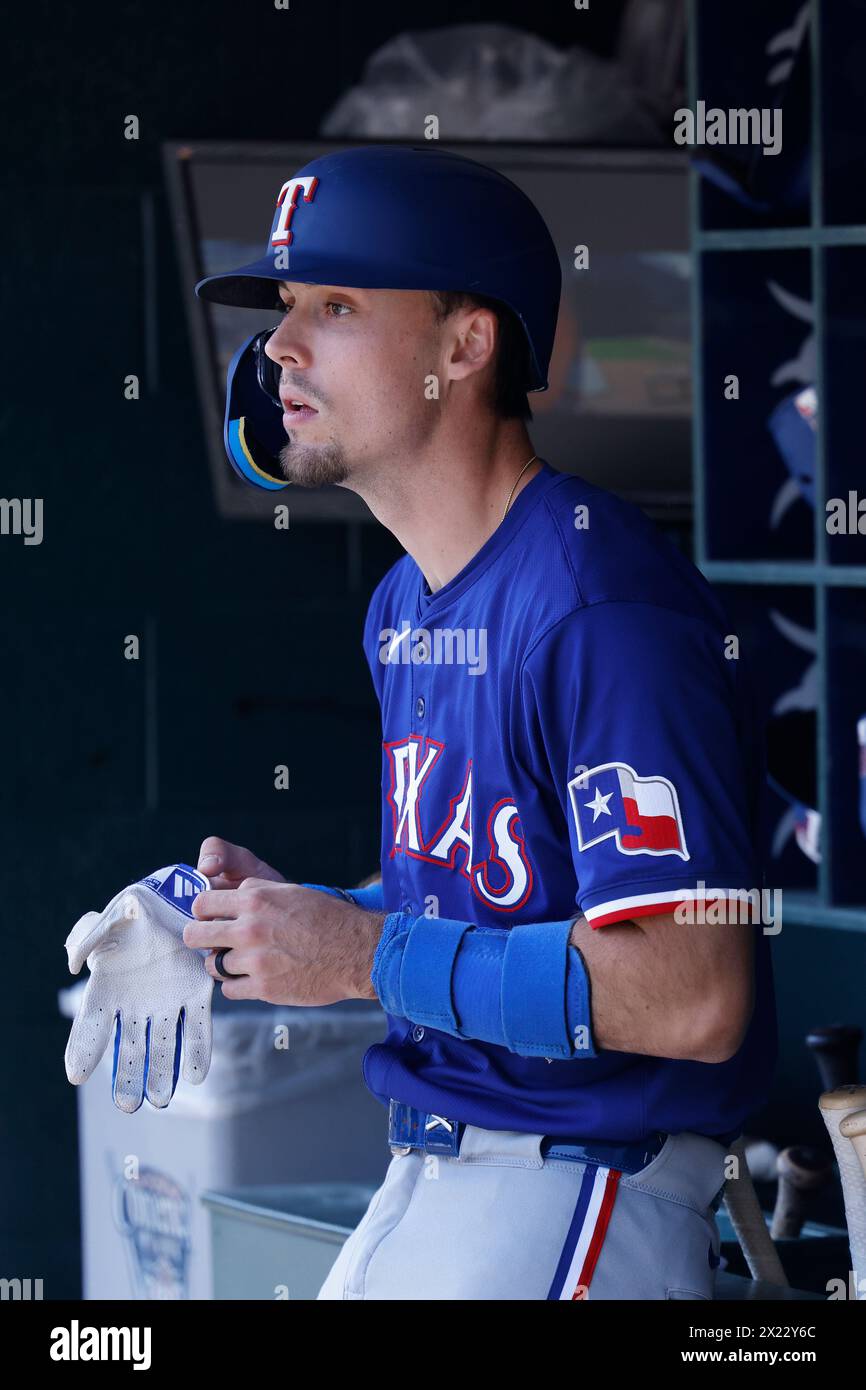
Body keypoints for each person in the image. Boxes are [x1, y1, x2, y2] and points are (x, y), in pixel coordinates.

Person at [184, 144, 777, 1300]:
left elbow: (692, 993)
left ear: (465, 345)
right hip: (441, 1174)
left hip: (585, 1183)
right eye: (286, 306)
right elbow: (487, 906)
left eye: (337, 304)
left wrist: (360, 955)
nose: (280, 347)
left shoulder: (600, 607)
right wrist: (277, 924)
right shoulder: (402, 603)